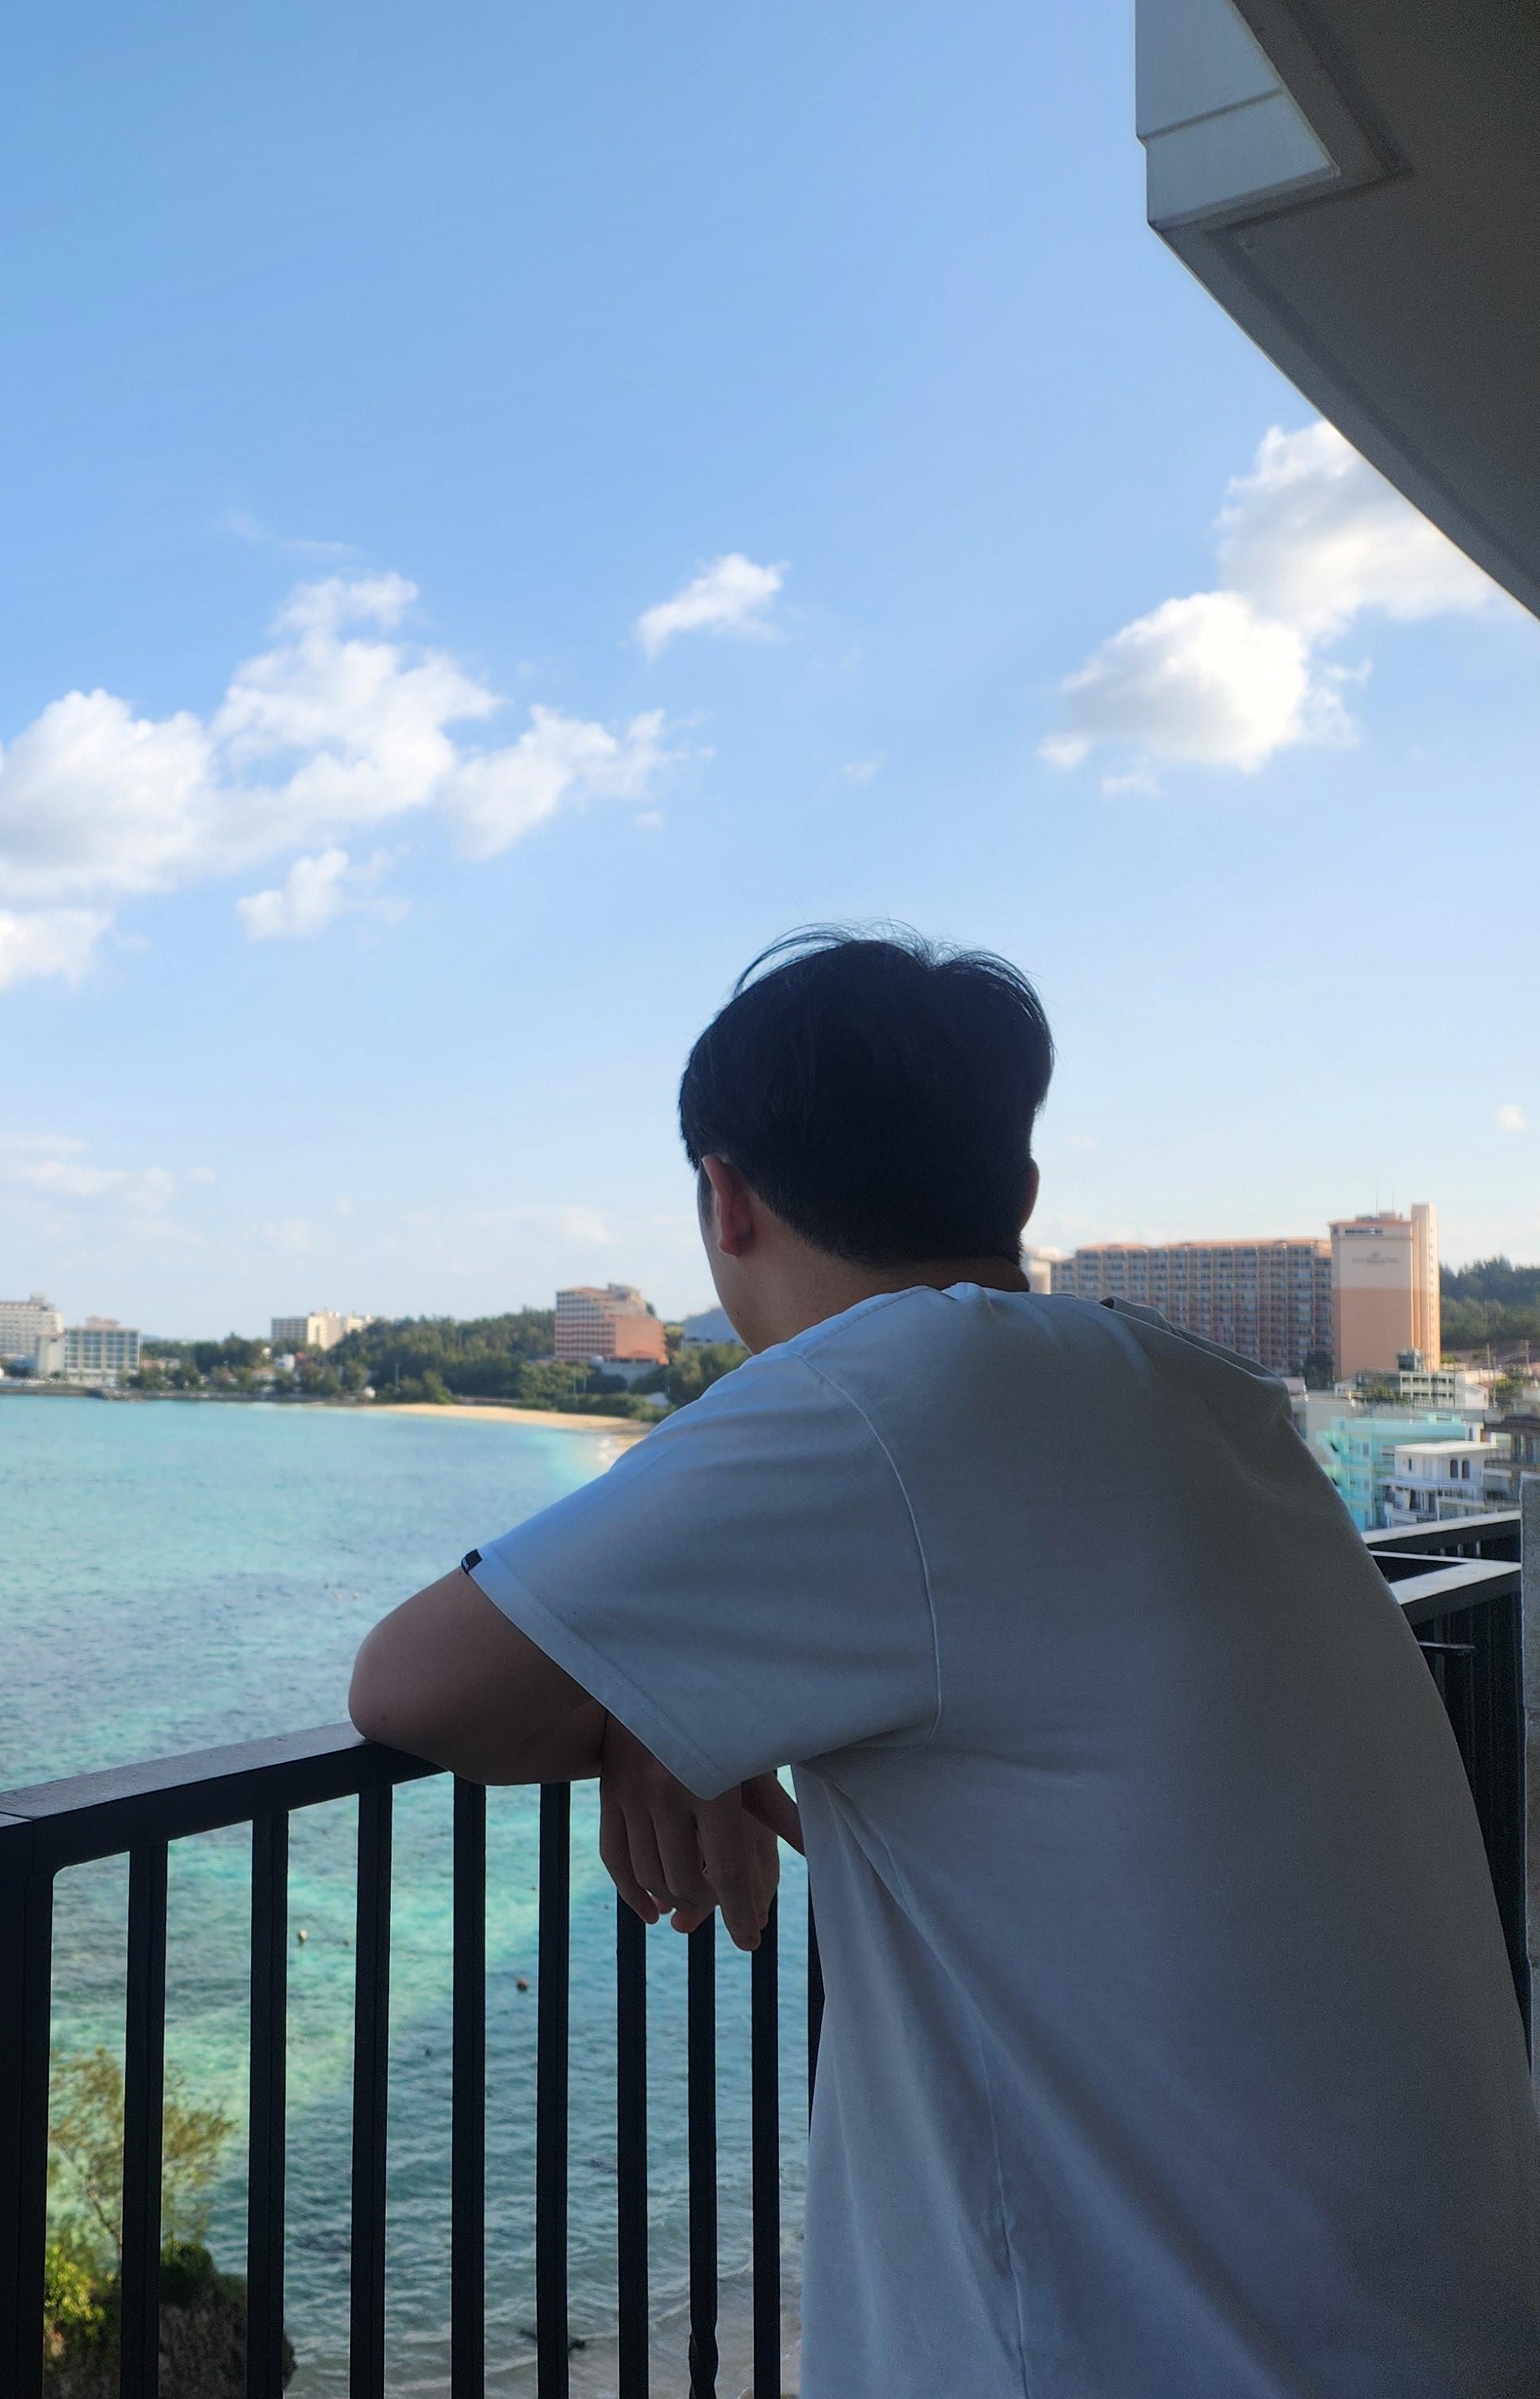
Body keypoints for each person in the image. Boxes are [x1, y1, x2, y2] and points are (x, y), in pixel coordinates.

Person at [349, 928, 1540, 2397]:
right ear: (1019, 1191)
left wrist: (658, 1693)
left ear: (726, 1199)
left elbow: (409, 1687)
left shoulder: (879, 1395)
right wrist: (675, 1692)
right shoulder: (1201, 1397)